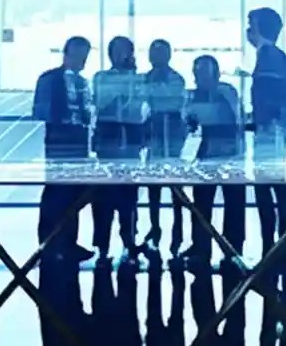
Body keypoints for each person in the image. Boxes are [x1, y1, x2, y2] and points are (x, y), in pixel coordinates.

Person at [32, 36, 95, 264]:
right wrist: (64, 119)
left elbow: (87, 113)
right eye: (78, 56)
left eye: (84, 57)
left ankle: (68, 242)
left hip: (79, 144)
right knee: (56, 194)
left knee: (74, 193)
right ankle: (48, 243)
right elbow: (40, 111)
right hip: (59, 144)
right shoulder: (48, 79)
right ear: (66, 55)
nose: (82, 61)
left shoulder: (83, 83)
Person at [246, 7, 286, 255]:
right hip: (273, 131)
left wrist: (260, 119)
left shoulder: (269, 56)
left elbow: (274, 96)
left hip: (269, 133)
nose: (248, 30)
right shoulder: (273, 55)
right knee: (275, 185)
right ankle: (280, 239)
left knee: (268, 186)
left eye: (252, 25)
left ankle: (274, 241)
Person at [183, 55, 244, 268]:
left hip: (230, 156)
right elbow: (190, 123)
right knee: (201, 204)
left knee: (234, 204)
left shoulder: (226, 92)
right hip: (205, 155)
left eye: (205, 74)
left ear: (216, 74)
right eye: (197, 74)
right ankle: (200, 247)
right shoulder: (192, 96)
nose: (200, 78)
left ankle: (233, 248)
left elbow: (234, 120)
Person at [91, 36, 148, 265]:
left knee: (128, 196)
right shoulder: (102, 77)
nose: (121, 55)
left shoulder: (138, 79)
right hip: (108, 140)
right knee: (103, 196)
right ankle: (102, 246)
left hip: (130, 142)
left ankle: (129, 241)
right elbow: (104, 103)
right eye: (117, 51)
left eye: (126, 51)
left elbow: (139, 108)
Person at [142, 39, 187, 256]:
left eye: (159, 53)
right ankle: (155, 227)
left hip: (171, 135)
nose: (155, 58)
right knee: (154, 186)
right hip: (156, 134)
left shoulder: (176, 79)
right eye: (153, 53)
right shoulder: (146, 78)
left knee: (175, 188)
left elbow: (171, 103)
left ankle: (177, 231)